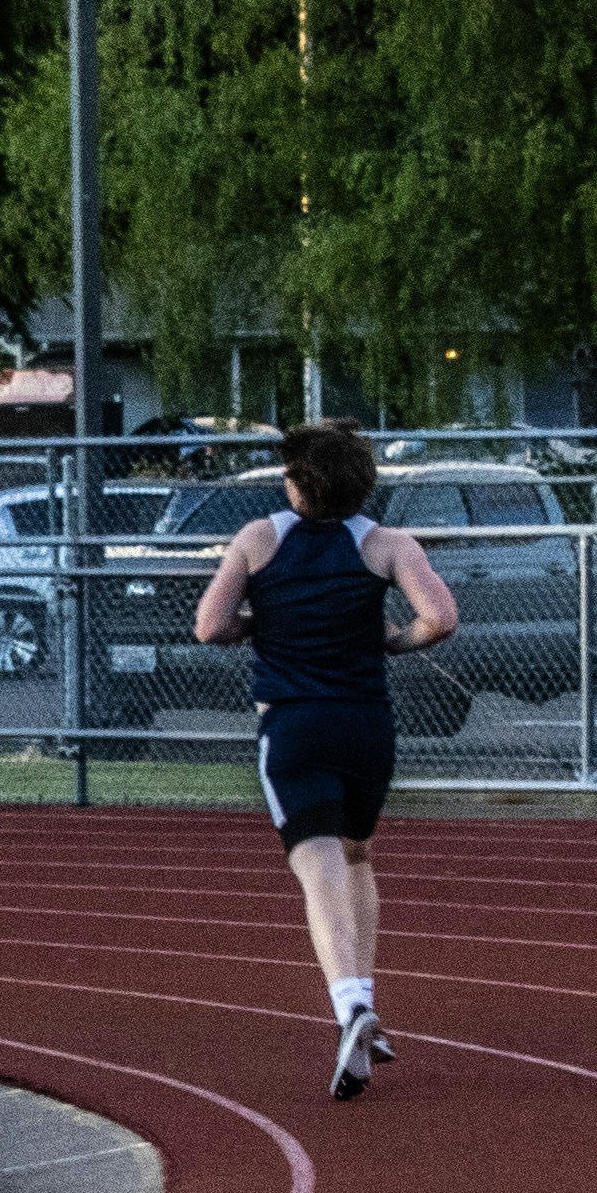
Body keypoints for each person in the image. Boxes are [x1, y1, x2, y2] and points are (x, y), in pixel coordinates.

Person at [189, 418, 459, 1102]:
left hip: (294, 725)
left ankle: (349, 1007)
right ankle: (362, 998)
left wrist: (262, 623)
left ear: (298, 481)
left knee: (318, 866)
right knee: (357, 854)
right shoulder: (387, 544)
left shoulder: (258, 538)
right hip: (367, 725)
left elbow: (210, 626)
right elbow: (441, 618)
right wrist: (394, 643)